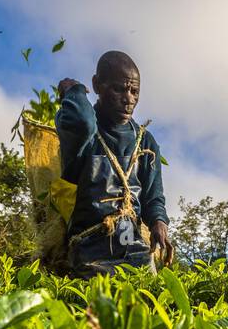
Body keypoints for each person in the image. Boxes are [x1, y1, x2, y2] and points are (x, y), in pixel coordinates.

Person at [54, 51, 174, 276]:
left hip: (134, 249)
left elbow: (153, 197)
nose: (128, 98)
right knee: (96, 308)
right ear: (97, 85)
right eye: (119, 89)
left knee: (151, 305)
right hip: (90, 248)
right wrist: (73, 92)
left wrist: (159, 222)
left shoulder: (145, 141)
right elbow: (81, 120)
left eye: (134, 91)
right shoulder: (84, 136)